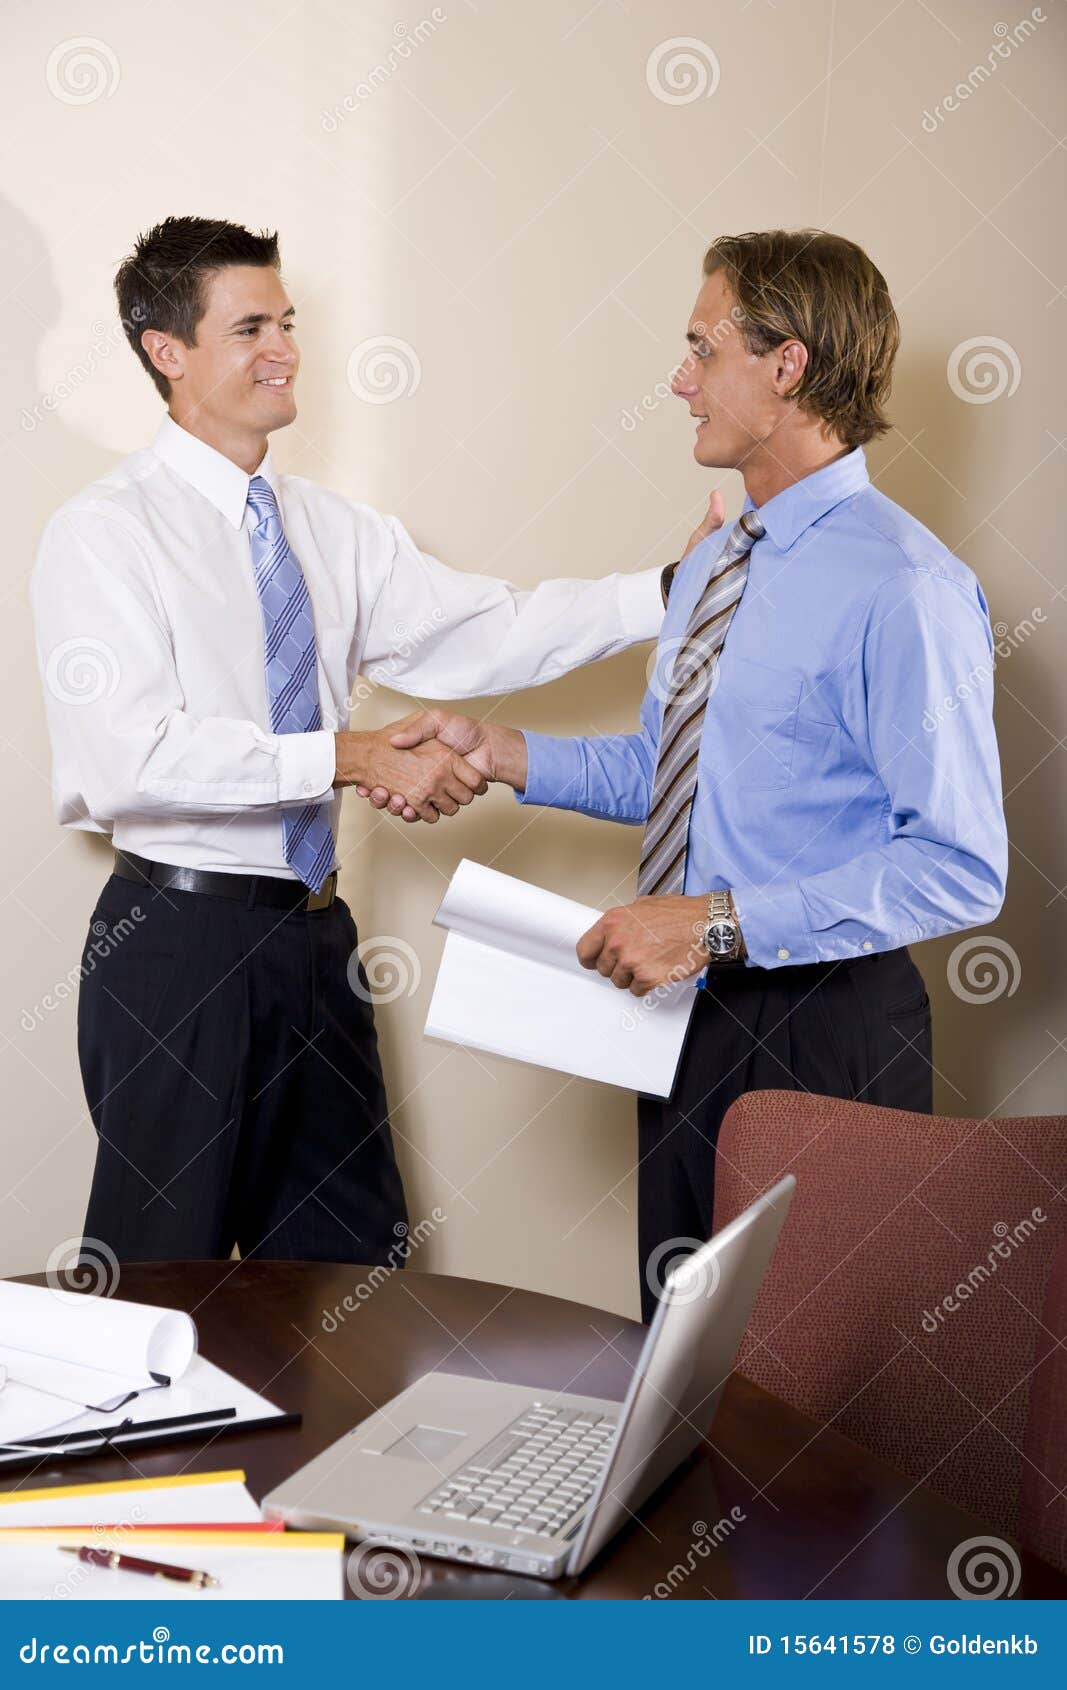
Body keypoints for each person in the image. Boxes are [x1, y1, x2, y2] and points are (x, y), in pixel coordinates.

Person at [387, 229, 1009, 1320]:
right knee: (676, 1350)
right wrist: (501, 755)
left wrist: (710, 922)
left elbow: (957, 868)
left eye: (699, 347)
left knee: (806, 1384)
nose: (677, 380)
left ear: (787, 365)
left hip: (826, 1025)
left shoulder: (905, 585)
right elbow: (671, 769)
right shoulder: (717, 559)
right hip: (685, 1016)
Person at [31, 215, 666, 1267]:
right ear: (166, 352)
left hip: (317, 944)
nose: (282, 348)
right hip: (175, 948)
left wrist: (664, 592)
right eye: (248, 328)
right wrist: (348, 754)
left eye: (286, 321)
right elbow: (123, 758)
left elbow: (485, 629)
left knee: (346, 1274)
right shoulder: (105, 533)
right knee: (164, 1276)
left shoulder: (327, 527)